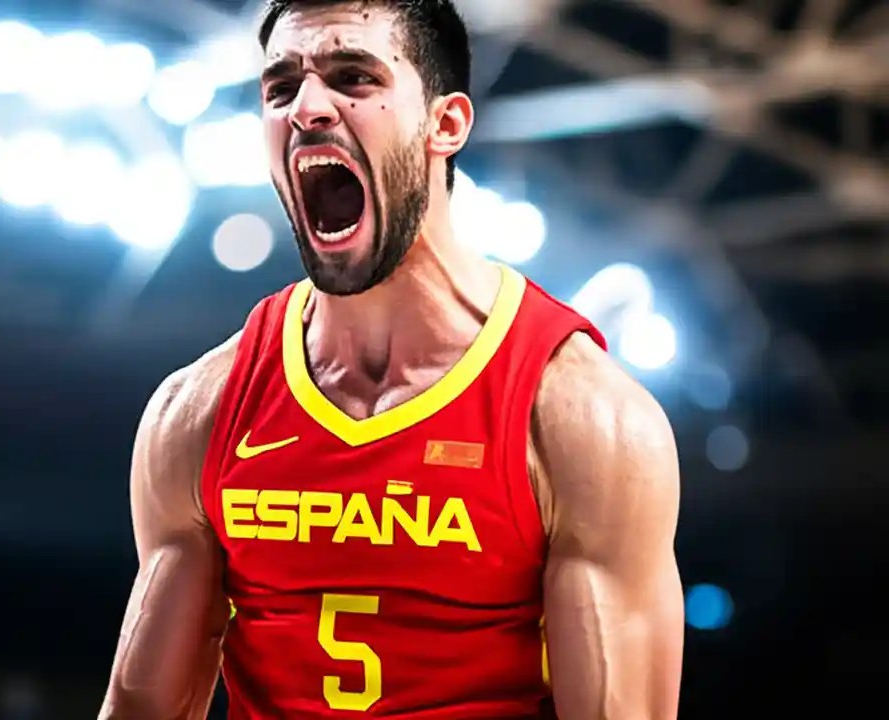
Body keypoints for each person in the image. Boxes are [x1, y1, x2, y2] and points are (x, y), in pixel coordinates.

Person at [98, 0, 684, 717]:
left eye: (353, 77)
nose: (307, 107)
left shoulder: (582, 418)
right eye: (281, 87)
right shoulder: (199, 410)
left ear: (446, 125)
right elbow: (140, 707)